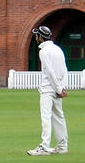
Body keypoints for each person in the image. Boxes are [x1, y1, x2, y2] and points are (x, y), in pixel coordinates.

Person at [28, 26, 68, 155]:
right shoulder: (57, 49)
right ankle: (62, 146)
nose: (36, 38)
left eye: (36, 36)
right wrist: (62, 88)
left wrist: (58, 88)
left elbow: (50, 72)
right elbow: (64, 70)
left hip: (48, 89)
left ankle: (45, 146)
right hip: (57, 88)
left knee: (46, 117)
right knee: (59, 117)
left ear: (41, 37)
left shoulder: (44, 51)